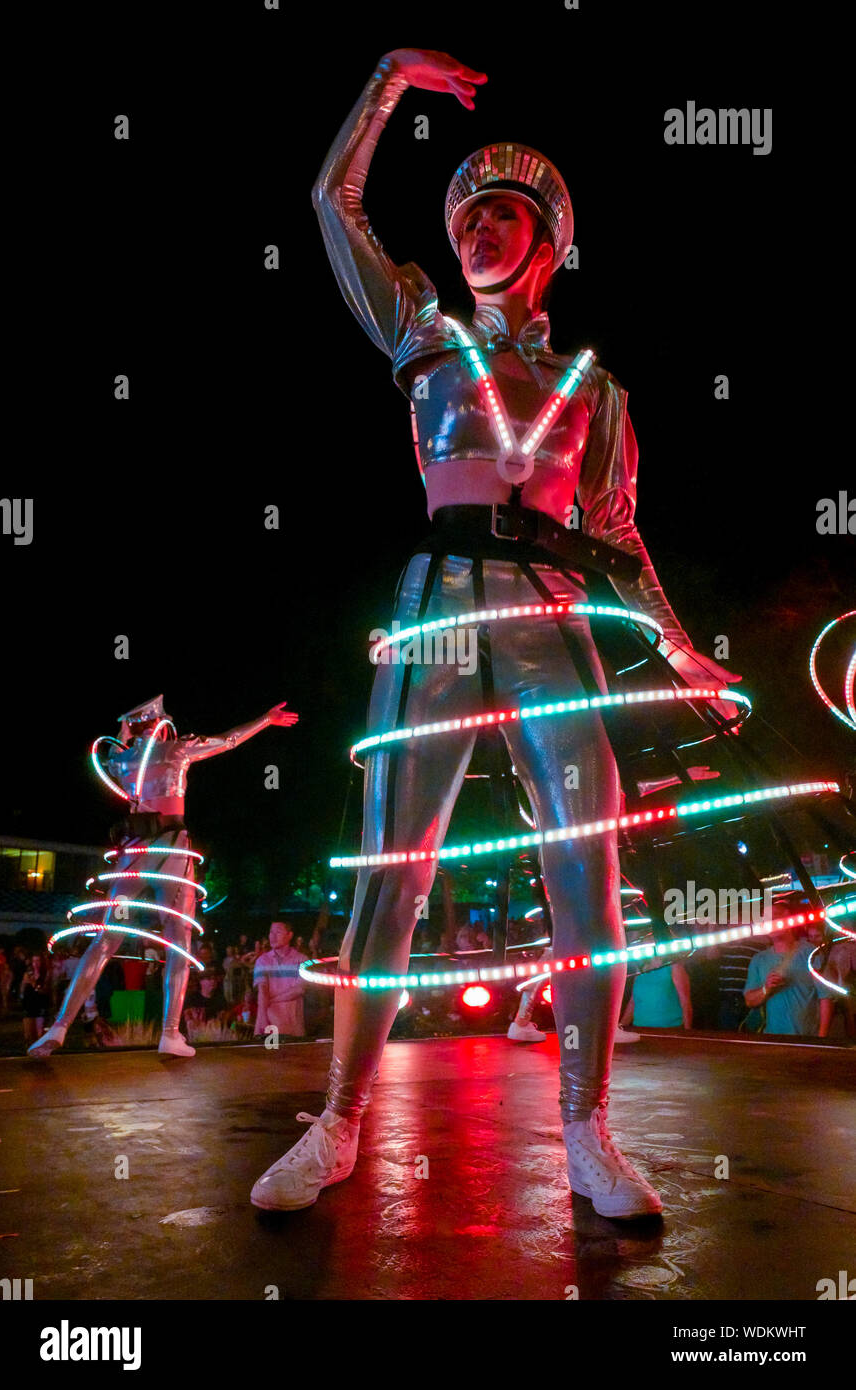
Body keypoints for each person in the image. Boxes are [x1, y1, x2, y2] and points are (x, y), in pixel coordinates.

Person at [250, 49, 740, 1220]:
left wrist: (681, 654)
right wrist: (384, 82)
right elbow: (332, 204)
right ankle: (341, 1121)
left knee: (590, 862)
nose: (476, 232)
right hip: (434, 604)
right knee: (393, 867)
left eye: (503, 216)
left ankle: (585, 1132)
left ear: (548, 240)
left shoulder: (595, 388)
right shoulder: (417, 328)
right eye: (465, 216)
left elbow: (621, 538)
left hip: (551, 614)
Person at [28, 695, 298, 1059]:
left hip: (136, 852)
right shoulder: (177, 749)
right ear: (158, 722)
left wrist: (124, 734)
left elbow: (112, 754)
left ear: (132, 726)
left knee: (107, 938)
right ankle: (170, 1033)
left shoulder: (119, 759)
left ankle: (58, 1029)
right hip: (171, 851)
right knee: (178, 940)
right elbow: (229, 739)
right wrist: (265, 719)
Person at [743, 927, 821, 1036]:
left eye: (776, 915)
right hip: (772, 1037)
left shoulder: (811, 953)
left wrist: (822, 1038)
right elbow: (749, 1001)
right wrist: (766, 988)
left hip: (807, 1038)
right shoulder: (759, 959)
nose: (771, 922)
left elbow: (826, 998)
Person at [254, 922, 307, 1038]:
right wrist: (263, 1018)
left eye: (278, 932)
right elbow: (262, 991)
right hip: (269, 1024)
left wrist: (271, 999)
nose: (272, 936)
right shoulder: (263, 960)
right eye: (271, 932)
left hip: (293, 1025)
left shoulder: (301, 960)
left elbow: (299, 989)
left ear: (289, 935)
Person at [620, 960, 692, 1030]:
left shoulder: (674, 967)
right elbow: (633, 1002)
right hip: (639, 1029)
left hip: (670, 1030)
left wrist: (687, 1032)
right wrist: (621, 1026)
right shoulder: (639, 971)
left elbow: (685, 1001)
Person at [21, 952, 51, 1046]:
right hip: (29, 1002)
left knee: (39, 1031)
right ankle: (30, 1048)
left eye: (38, 960)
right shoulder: (28, 973)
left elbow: (45, 990)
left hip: (40, 1003)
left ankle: (39, 1048)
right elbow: (23, 988)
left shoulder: (45, 974)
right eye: (34, 961)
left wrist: (35, 985)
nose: (36, 963)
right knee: (28, 1032)